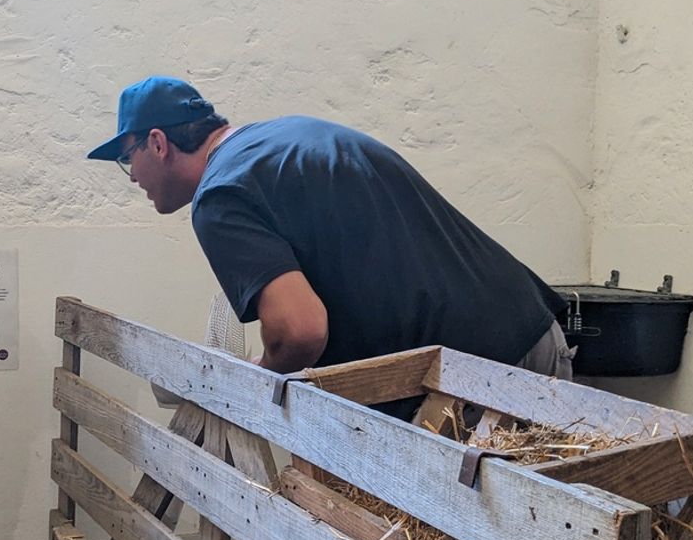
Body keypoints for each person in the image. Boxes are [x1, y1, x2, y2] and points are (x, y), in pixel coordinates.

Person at [88, 76, 573, 395]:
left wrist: (260, 378)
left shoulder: (219, 195)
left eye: (127, 157)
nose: (131, 175)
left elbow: (299, 331)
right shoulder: (291, 134)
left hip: (474, 383)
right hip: (532, 332)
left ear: (158, 143)